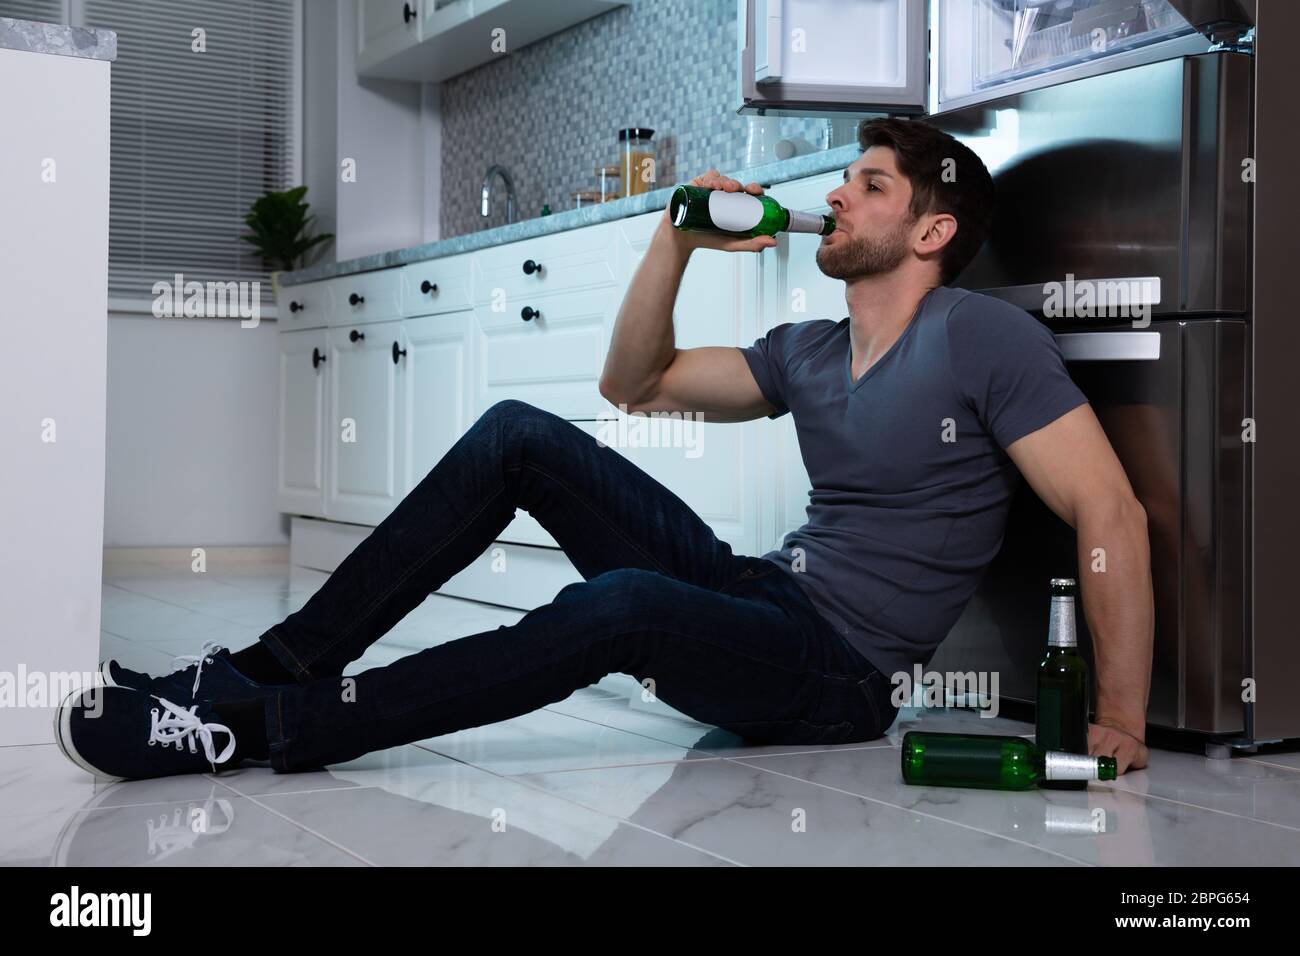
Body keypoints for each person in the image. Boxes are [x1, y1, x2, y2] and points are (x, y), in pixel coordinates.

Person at [56, 117, 1153, 781]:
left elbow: (1111, 512)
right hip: (761, 594)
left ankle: (259, 728)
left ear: (930, 232)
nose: (834, 194)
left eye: (868, 184)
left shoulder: (982, 337)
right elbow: (633, 383)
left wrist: (1118, 717)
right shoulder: (809, 348)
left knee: (622, 602)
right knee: (519, 438)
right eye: (845, 175)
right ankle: (270, 664)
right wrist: (671, 238)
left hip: (842, 675)